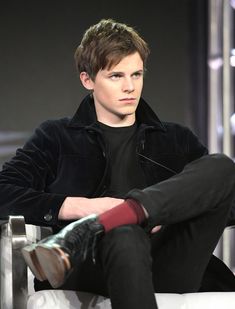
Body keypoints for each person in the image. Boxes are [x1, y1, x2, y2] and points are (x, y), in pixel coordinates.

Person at [1, 18, 235, 309]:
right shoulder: (57, 137)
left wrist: (167, 212)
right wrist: (85, 207)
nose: (130, 87)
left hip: (168, 263)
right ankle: (109, 224)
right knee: (124, 234)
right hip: (93, 264)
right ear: (87, 79)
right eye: (116, 76)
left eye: (136, 75)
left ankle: (117, 218)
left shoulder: (176, 139)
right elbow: (4, 192)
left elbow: (226, 201)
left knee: (223, 167)